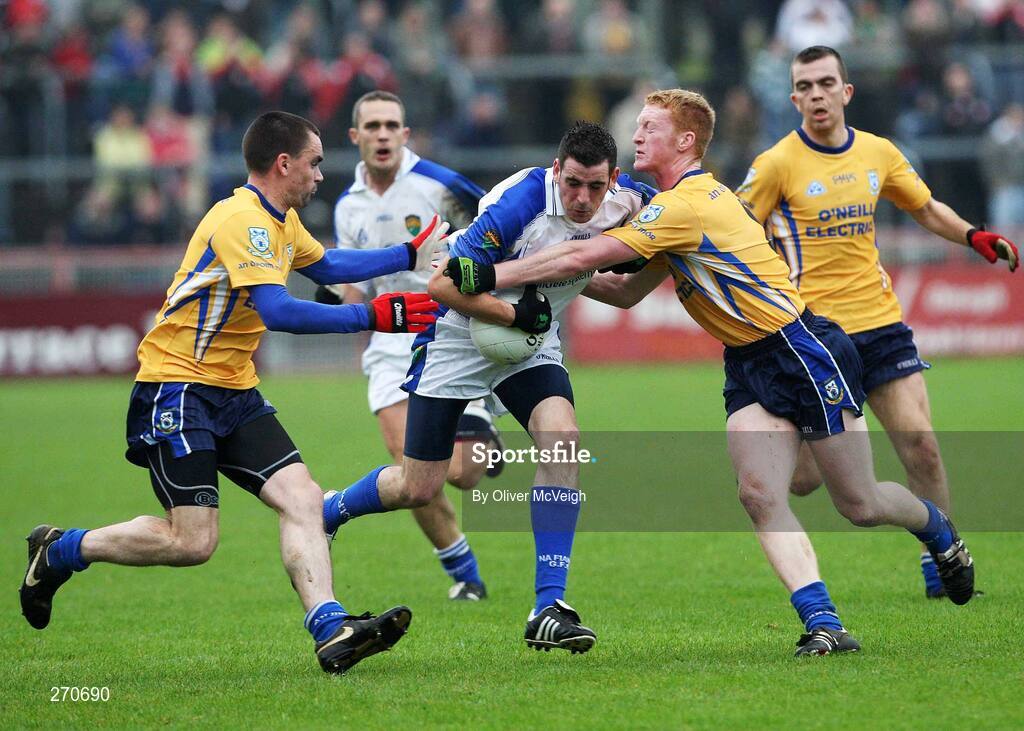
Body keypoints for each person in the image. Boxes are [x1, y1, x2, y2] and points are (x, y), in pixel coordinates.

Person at [445, 90, 977, 656]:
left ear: (685, 142)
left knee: (860, 503)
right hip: (746, 361)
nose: (638, 132)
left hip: (799, 350)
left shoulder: (685, 204)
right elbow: (625, 293)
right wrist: (531, 284)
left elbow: (581, 257)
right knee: (757, 493)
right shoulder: (665, 207)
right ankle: (824, 623)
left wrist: (487, 273)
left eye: (650, 126)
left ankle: (938, 531)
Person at [19, 111, 450, 675]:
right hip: (177, 386)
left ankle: (331, 628)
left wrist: (404, 256)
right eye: (315, 163)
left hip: (234, 390)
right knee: (192, 543)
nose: (321, 175)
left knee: (304, 500)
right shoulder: (241, 220)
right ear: (284, 163)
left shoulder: (279, 219)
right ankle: (62, 551)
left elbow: (327, 263)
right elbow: (277, 311)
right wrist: (371, 314)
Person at [323, 121, 660, 653]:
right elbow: (441, 284)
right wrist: (513, 311)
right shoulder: (519, 202)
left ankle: (548, 606)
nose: (582, 198)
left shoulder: (635, 203)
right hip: (457, 337)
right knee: (420, 487)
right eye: (572, 183)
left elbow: (623, 293)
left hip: (529, 344)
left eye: (595, 187)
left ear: (614, 179)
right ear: (556, 170)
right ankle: (327, 511)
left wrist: (667, 258)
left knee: (563, 438)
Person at [736, 45, 1018, 598]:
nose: (816, 94)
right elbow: (735, 226)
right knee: (802, 481)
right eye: (805, 86)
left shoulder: (879, 153)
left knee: (923, 448)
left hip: (880, 325)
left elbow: (926, 207)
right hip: (813, 339)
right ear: (793, 97)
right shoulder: (775, 165)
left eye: (825, 83)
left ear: (846, 91)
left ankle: (942, 564)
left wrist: (973, 235)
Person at [316, 90, 501, 601]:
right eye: (371, 126)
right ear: (355, 137)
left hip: (447, 335)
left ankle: (483, 425)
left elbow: (497, 220)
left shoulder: (438, 185)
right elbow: (353, 285)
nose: (381, 134)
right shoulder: (348, 204)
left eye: (390, 125)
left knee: (463, 475)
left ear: (405, 134)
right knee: (411, 470)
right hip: (388, 345)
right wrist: (329, 299)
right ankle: (466, 576)